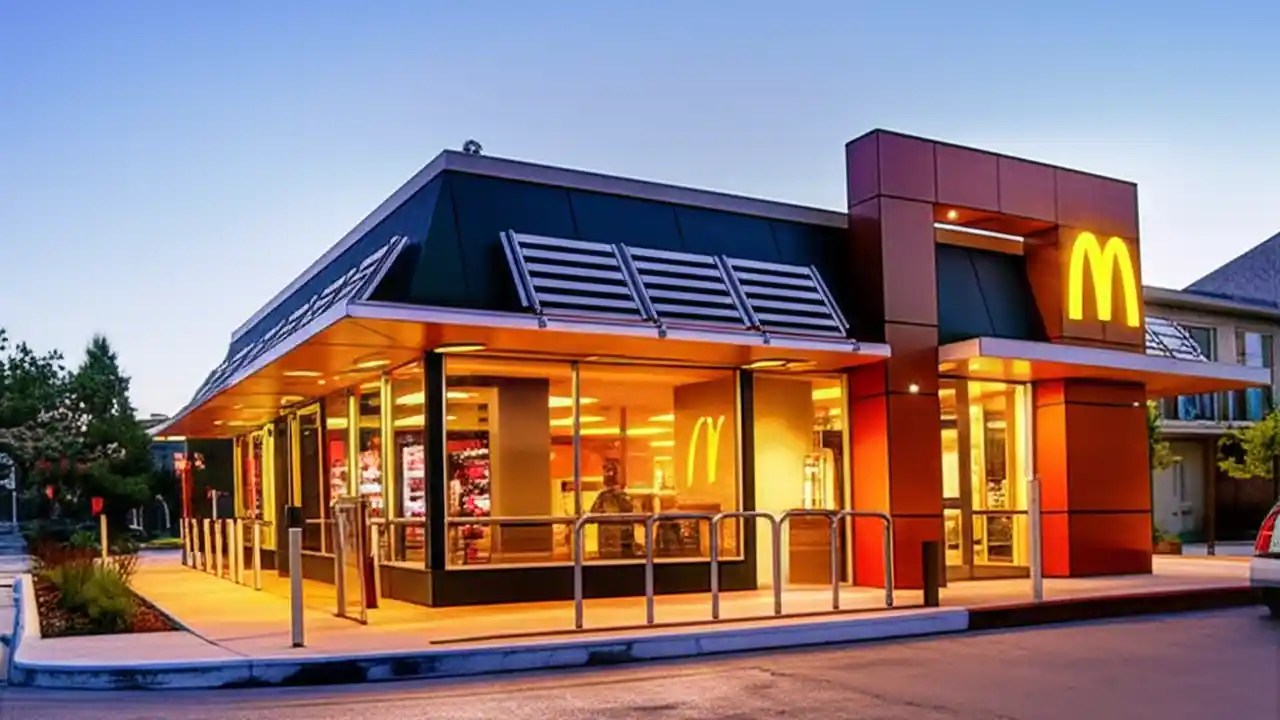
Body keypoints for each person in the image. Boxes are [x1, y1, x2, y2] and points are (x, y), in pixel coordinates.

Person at [590, 460, 635, 558]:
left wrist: (617, 494)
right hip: (606, 542)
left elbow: (629, 509)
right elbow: (592, 514)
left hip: (622, 543)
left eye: (610, 472)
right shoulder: (602, 496)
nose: (607, 476)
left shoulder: (622, 496)